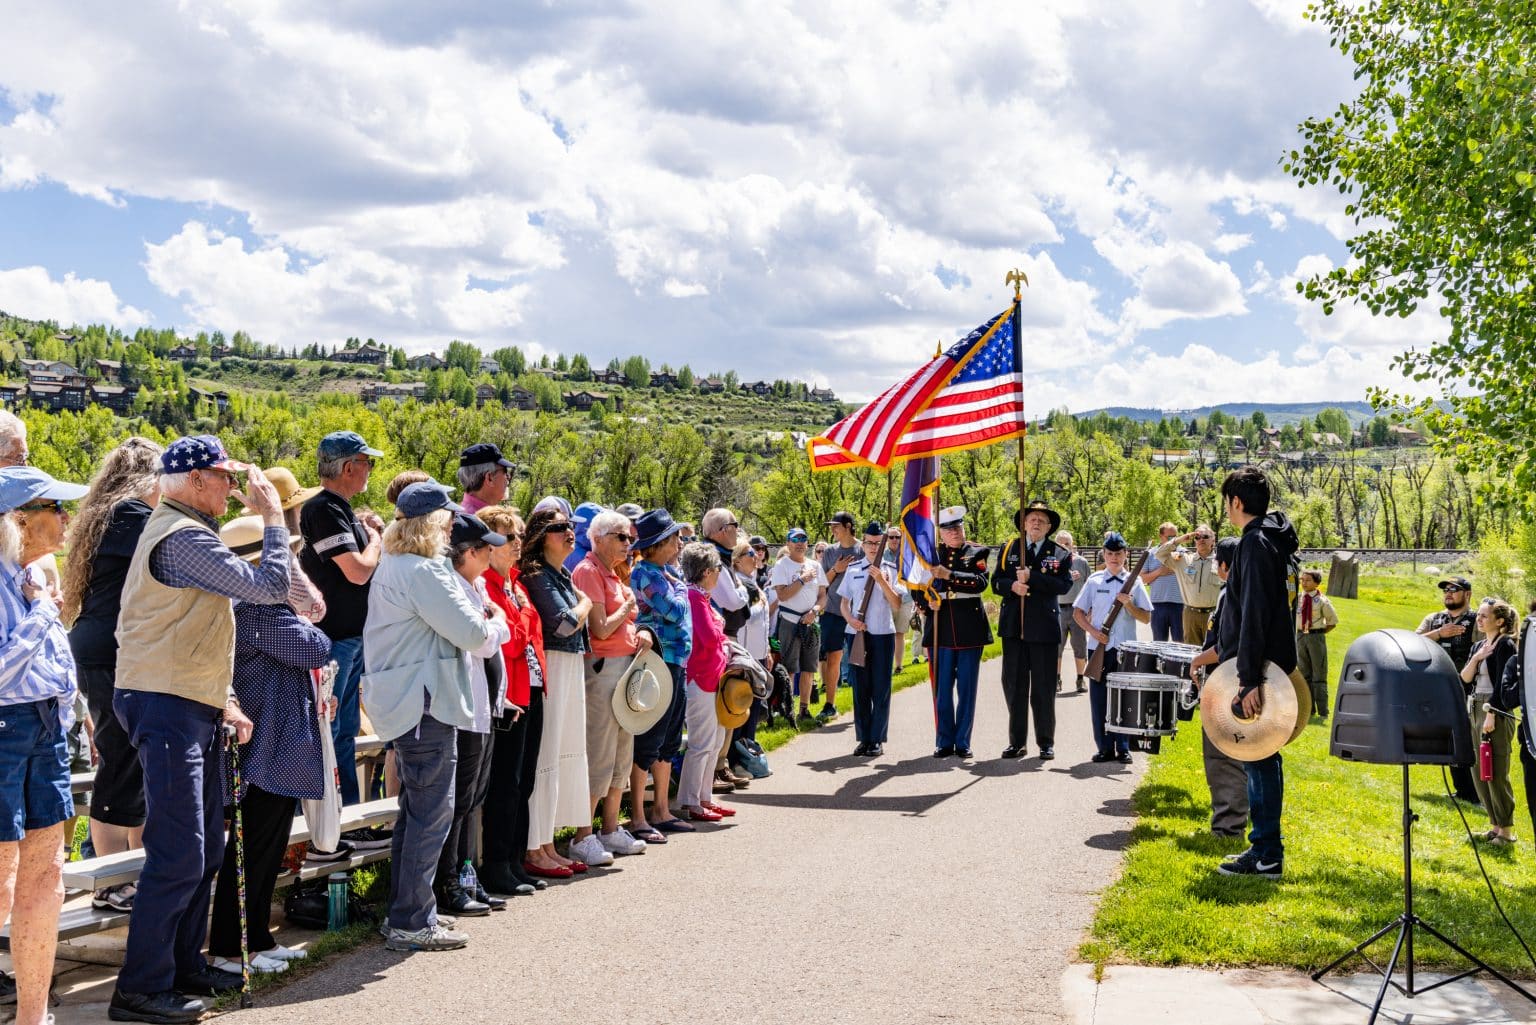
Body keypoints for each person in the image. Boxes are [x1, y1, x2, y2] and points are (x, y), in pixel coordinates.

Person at [110, 438, 288, 1023]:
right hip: (166, 703)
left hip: (189, 701)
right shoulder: (182, 536)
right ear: (193, 481)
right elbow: (270, 588)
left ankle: (183, 966)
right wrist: (272, 518)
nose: (232, 488)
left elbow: (199, 626)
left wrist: (226, 698)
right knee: (180, 851)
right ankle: (139, 988)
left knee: (206, 845)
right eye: (224, 477)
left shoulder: (186, 532)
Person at [362, 480, 498, 951]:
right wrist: (494, 623)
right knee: (430, 815)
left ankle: (407, 912)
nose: (452, 527)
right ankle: (411, 921)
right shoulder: (424, 571)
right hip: (426, 703)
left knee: (416, 812)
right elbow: (474, 634)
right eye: (448, 518)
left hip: (409, 701)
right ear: (434, 523)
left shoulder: (394, 563)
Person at [206, 515, 331, 975]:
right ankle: (232, 948)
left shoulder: (254, 608)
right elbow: (317, 647)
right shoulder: (259, 611)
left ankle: (257, 938)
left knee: (265, 850)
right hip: (263, 752)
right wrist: (303, 616)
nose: (290, 565)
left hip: (272, 749)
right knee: (251, 853)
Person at [60, 437, 163, 914]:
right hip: (111, 654)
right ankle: (108, 882)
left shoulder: (108, 515)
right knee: (121, 761)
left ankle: (132, 875)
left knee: (132, 762)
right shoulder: (131, 516)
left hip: (104, 648)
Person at [0, 466, 87, 1025]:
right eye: (54, 507)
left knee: (46, 875)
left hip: (44, 730)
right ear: (18, 520)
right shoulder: (24, 589)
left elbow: (55, 666)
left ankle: (33, 1018)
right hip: (6, 731)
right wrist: (42, 613)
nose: (65, 518)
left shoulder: (28, 577)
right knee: (3, 878)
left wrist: (74, 713)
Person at [1214, 466, 1300, 880]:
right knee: (1261, 757)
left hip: (1260, 671)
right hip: (1265, 667)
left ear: (1236, 501)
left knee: (1260, 757)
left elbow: (1254, 614)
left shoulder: (1254, 542)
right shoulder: (1270, 539)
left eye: (1226, 503)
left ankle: (1266, 852)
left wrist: (1249, 679)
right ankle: (1265, 848)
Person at [300, 431, 386, 816]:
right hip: (332, 641)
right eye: (367, 463)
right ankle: (326, 824)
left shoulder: (338, 509)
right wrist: (376, 539)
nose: (370, 470)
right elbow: (358, 571)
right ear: (349, 467)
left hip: (347, 639)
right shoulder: (323, 509)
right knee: (330, 734)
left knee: (345, 733)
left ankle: (346, 817)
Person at [432, 513, 513, 916]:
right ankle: (447, 883)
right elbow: (482, 642)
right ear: (464, 553)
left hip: (483, 707)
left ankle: (467, 876)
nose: (489, 554)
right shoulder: (454, 588)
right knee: (459, 800)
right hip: (463, 709)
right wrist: (499, 623)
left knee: (473, 798)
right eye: (483, 548)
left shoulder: (476, 586)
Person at [569, 510, 651, 864]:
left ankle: (611, 827)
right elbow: (600, 628)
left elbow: (625, 623)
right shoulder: (588, 571)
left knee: (621, 752)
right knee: (600, 751)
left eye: (629, 538)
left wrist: (642, 631)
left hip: (624, 667)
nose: (628, 543)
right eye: (621, 536)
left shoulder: (614, 572)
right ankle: (582, 835)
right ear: (598, 538)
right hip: (602, 670)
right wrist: (629, 607)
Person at [521, 506, 597, 874]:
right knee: (546, 755)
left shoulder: (562, 574)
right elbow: (564, 624)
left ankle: (548, 842)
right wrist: (586, 603)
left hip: (568, 664)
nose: (569, 532)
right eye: (559, 528)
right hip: (552, 663)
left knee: (565, 750)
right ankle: (534, 847)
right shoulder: (537, 575)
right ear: (540, 536)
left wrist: (580, 605)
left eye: (570, 527)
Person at [476, 506, 545, 897]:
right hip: (508, 694)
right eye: (509, 536)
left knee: (524, 780)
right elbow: (512, 641)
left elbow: (533, 637)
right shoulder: (486, 585)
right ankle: (497, 863)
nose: (519, 542)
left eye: (519, 534)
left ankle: (516, 860)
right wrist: (518, 619)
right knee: (505, 782)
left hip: (531, 687)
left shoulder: (515, 584)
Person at [627, 509, 692, 841]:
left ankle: (661, 810)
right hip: (659, 662)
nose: (679, 543)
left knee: (669, 739)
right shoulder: (645, 574)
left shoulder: (668, 573)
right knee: (649, 739)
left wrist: (679, 587)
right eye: (674, 538)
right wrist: (681, 591)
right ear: (659, 543)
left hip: (676, 660)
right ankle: (638, 816)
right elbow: (674, 610)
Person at [991, 501, 1073, 761]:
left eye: (1041, 520)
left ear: (1049, 527)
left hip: (1043, 630)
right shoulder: (1009, 548)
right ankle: (1017, 742)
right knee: (1014, 687)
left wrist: (1033, 578)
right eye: (1032, 519)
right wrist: (1012, 586)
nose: (1036, 523)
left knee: (1043, 689)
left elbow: (1063, 586)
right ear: (1024, 524)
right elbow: (996, 582)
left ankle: (1045, 742)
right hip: (1014, 628)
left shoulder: (1059, 553)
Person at [914, 506, 992, 760]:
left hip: (969, 628)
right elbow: (916, 586)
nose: (955, 533)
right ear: (941, 533)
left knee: (967, 690)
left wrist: (949, 574)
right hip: (941, 627)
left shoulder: (976, 552)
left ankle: (963, 741)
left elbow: (979, 582)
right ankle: (944, 741)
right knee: (942, 690)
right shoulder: (930, 555)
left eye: (958, 527)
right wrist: (927, 604)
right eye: (949, 530)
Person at [1072, 532, 1153, 765]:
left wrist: (1129, 606)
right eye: (1109, 554)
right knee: (1099, 700)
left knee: (1125, 699)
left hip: (1126, 650)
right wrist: (1093, 632)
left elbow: (1146, 618)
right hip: (1099, 648)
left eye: (1118, 553)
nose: (1114, 558)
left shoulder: (1135, 582)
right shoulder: (1094, 580)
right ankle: (1104, 747)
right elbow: (1078, 613)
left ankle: (1124, 747)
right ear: (1104, 555)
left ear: (1126, 555)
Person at [1188, 538, 1250, 837]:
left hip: (1226, 683)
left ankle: (1228, 827)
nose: (1214, 565)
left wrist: (1197, 660)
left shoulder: (1232, 593)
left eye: (1217, 561)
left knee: (1223, 756)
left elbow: (1226, 647)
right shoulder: (1242, 590)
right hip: (1233, 681)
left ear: (1225, 565)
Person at [677, 542, 734, 821]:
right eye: (718, 568)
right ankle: (691, 801)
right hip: (700, 678)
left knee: (715, 739)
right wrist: (724, 640)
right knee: (702, 742)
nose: (720, 573)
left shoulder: (702, 597)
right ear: (707, 571)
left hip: (713, 677)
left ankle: (705, 797)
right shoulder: (693, 597)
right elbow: (710, 638)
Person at [1417, 576, 1483, 804]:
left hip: (1469, 689)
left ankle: (1477, 794)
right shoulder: (1433, 619)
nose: (1448, 593)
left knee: (1470, 739)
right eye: (1445, 589)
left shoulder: (1477, 620)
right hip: (1438, 688)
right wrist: (1439, 633)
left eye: (1454, 589)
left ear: (1467, 594)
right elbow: (1412, 642)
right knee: (1449, 739)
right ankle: (1462, 790)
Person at [840, 521, 903, 757]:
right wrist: (851, 620)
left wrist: (882, 581)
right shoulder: (853, 569)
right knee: (861, 689)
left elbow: (897, 604)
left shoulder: (890, 569)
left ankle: (877, 739)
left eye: (878, 543)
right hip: (858, 635)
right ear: (863, 544)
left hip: (882, 635)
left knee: (881, 688)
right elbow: (844, 602)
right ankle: (864, 738)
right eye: (869, 543)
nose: (874, 547)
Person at [1465, 598, 1518, 844]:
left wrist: (1492, 713)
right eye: (1479, 615)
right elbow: (1465, 677)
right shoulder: (1478, 646)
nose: (1479, 619)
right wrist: (1477, 658)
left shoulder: (1505, 644)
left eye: (1485, 616)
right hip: (1475, 706)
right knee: (1479, 769)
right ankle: (1494, 827)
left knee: (1496, 770)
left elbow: (1502, 685)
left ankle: (1506, 832)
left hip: (1495, 710)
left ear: (1499, 621)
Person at [767, 527, 827, 725]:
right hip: (790, 622)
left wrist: (814, 611)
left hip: (811, 622)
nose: (800, 543)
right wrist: (802, 580)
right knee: (790, 669)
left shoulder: (815, 565)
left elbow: (823, 596)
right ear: (788, 543)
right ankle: (788, 710)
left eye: (804, 539)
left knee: (809, 668)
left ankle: (804, 709)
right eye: (795, 539)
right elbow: (782, 595)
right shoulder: (782, 565)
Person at [1151, 525, 1222, 647]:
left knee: (1213, 651)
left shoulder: (1221, 562)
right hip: (1190, 615)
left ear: (1213, 540)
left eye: (1205, 536)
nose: (1201, 540)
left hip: (1213, 614)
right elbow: (1160, 554)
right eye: (1197, 537)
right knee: (1191, 652)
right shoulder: (1183, 559)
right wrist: (1178, 540)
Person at [1294, 569, 1339, 720]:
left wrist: (1319, 634)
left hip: (1315, 637)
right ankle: (1309, 709)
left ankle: (1323, 711)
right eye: (1302, 580)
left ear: (1316, 583)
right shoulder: (1298, 599)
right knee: (1304, 674)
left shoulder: (1321, 601)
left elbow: (1332, 622)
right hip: (1300, 637)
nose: (1304, 583)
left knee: (1319, 675)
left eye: (1308, 580)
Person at [1055, 530, 1090, 692]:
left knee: (1080, 646)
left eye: (1067, 543)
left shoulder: (1082, 562)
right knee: (1057, 647)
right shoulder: (1051, 563)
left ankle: (1080, 679)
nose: (1064, 546)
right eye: (1060, 543)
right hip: (1058, 610)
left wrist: (1090, 611)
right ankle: (1056, 679)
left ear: (1072, 544)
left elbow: (1090, 587)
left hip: (1078, 610)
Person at [1140, 522, 1185, 643]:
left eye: (1175, 537)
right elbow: (1142, 579)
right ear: (1160, 536)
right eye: (1169, 537)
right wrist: (1159, 572)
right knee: (1159, 644)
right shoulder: (1151, 554)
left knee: (1180, 644)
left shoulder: (1183, 553)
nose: (1173, 540)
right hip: (1157, 605)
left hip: (1180, 605)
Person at [884, 526, 916, 667]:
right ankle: (886, 665)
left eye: (897, 537)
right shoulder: (881, 556)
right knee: (887, 634)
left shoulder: (908, 555)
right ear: (886, 539)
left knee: (900, 633)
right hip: (887, 600)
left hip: (906, 599)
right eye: (891, 537)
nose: (894, 540)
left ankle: (898, 666)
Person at [456, 443, 514, 516]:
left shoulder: (456, 515)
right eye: (505, 471)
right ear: (489, 478)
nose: (508, 476)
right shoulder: (480, 520)